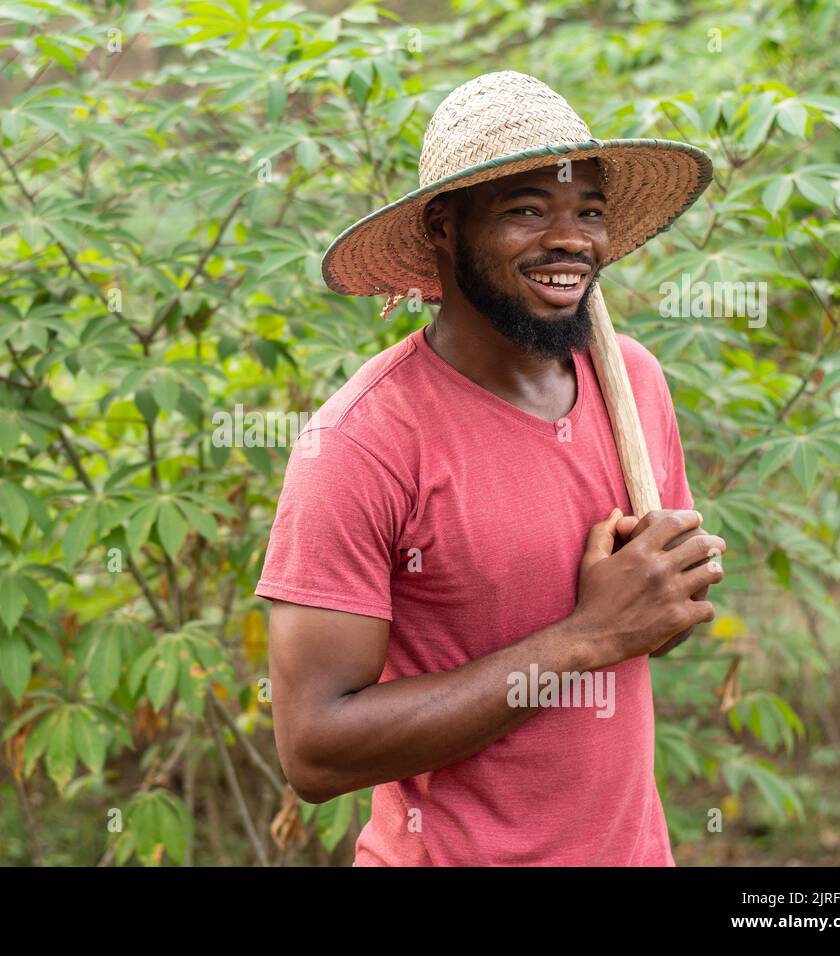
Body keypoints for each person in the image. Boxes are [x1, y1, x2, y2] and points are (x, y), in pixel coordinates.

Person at [254, 71, 727, 865]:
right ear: (443, 226)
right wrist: (583, 638)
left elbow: (649, 629)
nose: (572, 240)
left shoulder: (631, 382)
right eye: (528, 210)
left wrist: (658, 598)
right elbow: (316, 750)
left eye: (589, 213)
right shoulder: (361, 443)